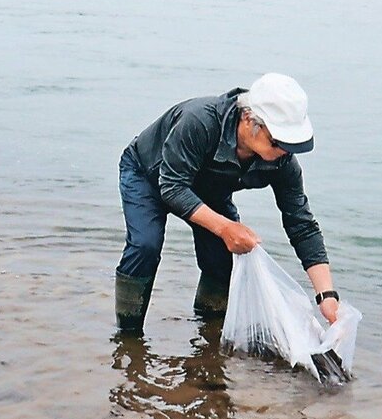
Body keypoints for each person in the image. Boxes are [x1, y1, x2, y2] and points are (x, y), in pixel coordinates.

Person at [115, 72, 339, 334]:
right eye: (278, 142)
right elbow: (172, 187)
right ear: (248, 119)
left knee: (224, 258)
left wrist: (326, 295)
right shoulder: (199, 121)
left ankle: (209, 333)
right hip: (149, 175)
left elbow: (301, 223)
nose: (284, 152)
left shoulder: (283, 162)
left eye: (291, 145)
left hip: (209, 189)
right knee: (145, 245)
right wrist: (225, 228)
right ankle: (128, 336)